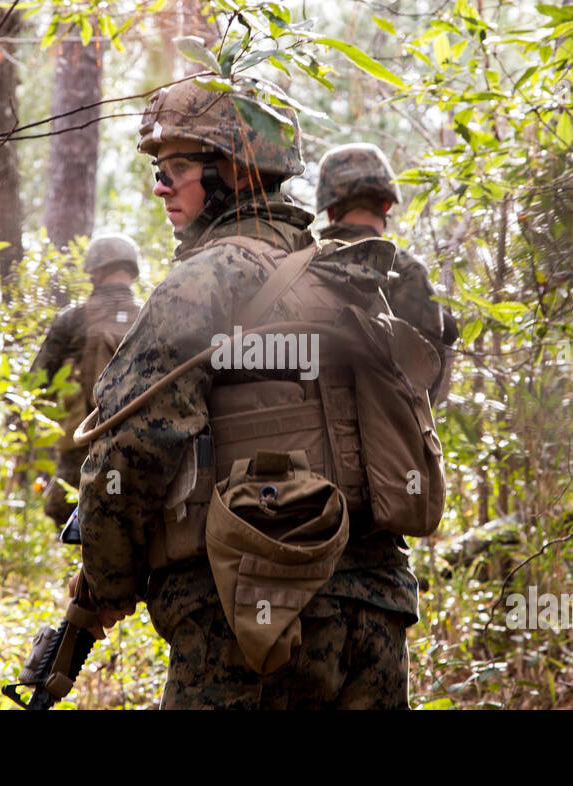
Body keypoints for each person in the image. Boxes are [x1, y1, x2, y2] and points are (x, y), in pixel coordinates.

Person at [74, 78, 434, 709]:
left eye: (176, 168)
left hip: (249, 618)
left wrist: (104, 590)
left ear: (236, 172)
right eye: (158, 170)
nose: (160, 187)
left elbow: (131, 451)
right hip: (376, 621)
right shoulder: (347, 277)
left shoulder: (203, 282)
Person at [315, 143, 458, 403]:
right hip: (386, 422)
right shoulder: (407, 272)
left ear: (331, 210)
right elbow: (425, 383)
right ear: (387, 204)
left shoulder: (304, 259)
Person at [27, 234, 143, 526]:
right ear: (132, 271)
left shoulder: (72, 319)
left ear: (96, 270)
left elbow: (36, 382)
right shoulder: (150, 316)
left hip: (81, 440)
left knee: (67, 515)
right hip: (139, 441)